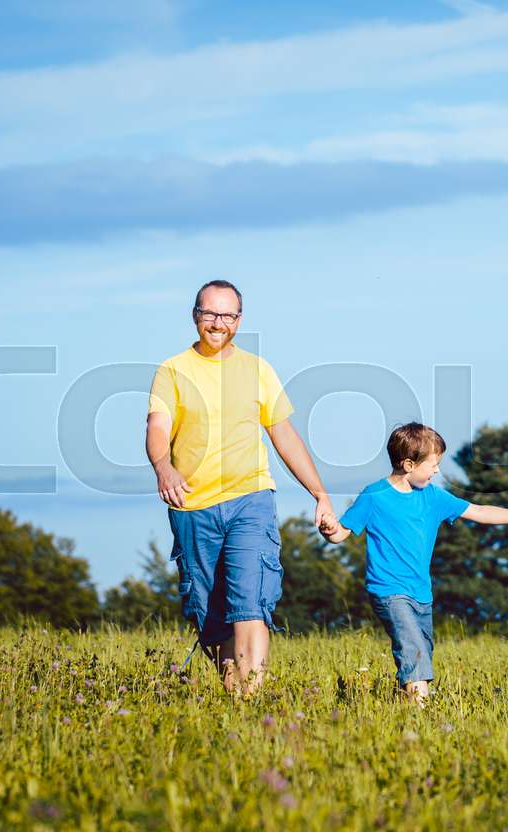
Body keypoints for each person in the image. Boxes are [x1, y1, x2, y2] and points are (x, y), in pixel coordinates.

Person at [146, 279, 333, 696]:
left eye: (227, 315)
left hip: (251, 500)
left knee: (251, 604)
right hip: (192, 507)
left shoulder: (257, 369)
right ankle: (235, 695)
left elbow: (283, 435)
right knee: (209, 618)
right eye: (210, 313)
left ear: (239, 320)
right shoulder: (173, 370)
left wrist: (319, 493)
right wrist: (163, 466)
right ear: (195, 315)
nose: (217, 323)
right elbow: (157, 427)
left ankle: (252, 700)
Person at [317, 423, 508, 704]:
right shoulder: (374, 496)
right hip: (388, 591)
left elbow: (479, 512)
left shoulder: (433, 497)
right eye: (433, 464)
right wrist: (328, 529)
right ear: (408, 464)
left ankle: (402, 700)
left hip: (422, 594)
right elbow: (342, 533)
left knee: (421, 652)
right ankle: (421, 712)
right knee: (413, 649)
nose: (437, 471)